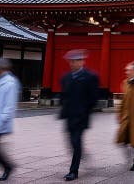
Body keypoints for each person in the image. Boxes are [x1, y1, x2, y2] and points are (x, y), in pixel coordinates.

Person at [59, 50, 99, 181]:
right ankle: (81, 153)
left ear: (82, 61)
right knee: (72, 143)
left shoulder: (90, 76)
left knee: (76, 142)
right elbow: (64, 95)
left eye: (75, 61)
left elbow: (93, 98)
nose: (72, 63)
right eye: (70, 61)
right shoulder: (65, 77)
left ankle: (73, 171)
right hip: (69, 116)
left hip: (81, 116)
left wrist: (85, 111)